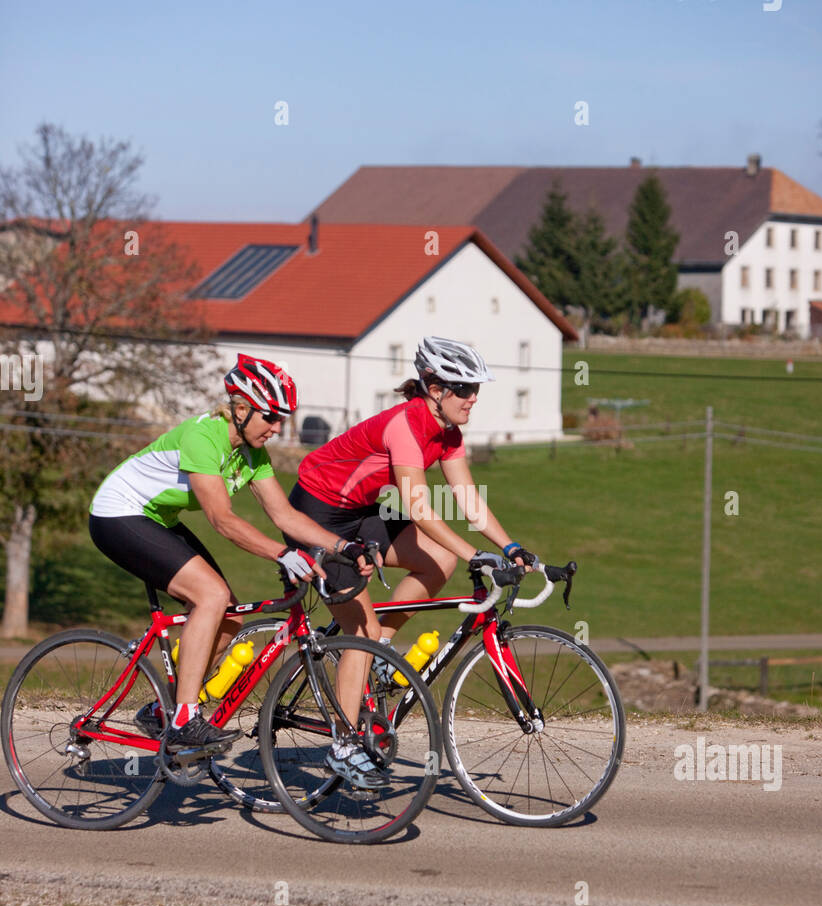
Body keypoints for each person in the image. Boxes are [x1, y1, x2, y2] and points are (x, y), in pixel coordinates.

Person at [88, 354, 372, 756]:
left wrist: (342, 546)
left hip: (156, 517)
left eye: (282, 420)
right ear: (240, 409)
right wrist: (281, 554)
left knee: (230, 616)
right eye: (270, 418)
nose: (277, 428)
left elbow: (285, 515)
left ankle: (162, 711)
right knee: (211, 595)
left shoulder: (252, 454)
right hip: (118, 513)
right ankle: (186, 717)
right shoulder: (204, 438)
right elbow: (222, 519)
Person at [286, 335, 537, 786]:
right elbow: (419, 508)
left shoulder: (449, 433)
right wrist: (474, 554)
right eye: (463, 388)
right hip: (316, 512)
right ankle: (344, 743)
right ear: (433, 387)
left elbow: (468, 500)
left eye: (475, 388)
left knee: (437, 561)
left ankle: (376, 651)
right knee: (358, 627)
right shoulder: (405, 424)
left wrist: (510, 547)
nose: (473, 397)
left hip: (360, 512)